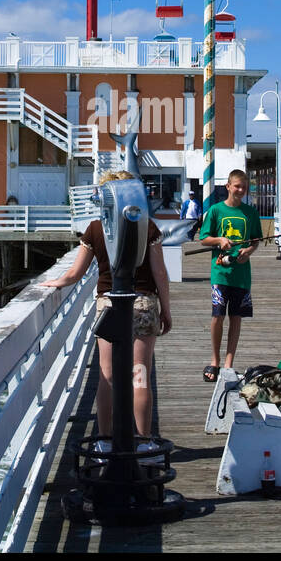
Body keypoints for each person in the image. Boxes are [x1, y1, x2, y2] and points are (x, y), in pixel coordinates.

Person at [44, 171, 173, 453]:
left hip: (108, 305)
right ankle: (142, 442)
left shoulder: (94, 229)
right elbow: (159, 272)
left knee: (108, 375)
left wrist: (57, 282)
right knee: (140, 375)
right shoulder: (147, 226)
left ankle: (104, 440)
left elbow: (76, 273)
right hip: (143, 302)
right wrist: (166, 309)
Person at [198, 169, 261, 381]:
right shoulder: (216, 211)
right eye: (237, 186)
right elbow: (204, 239)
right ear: (228, 186)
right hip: (220, 273)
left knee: (236, 318)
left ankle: (228, 363)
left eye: (244, 187)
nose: (241, 190)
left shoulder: (251, 212)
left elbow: (255, 240)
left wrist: (248, 251)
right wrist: (220, 241)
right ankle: (214, 360)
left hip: (242, 275)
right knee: (218, 316)